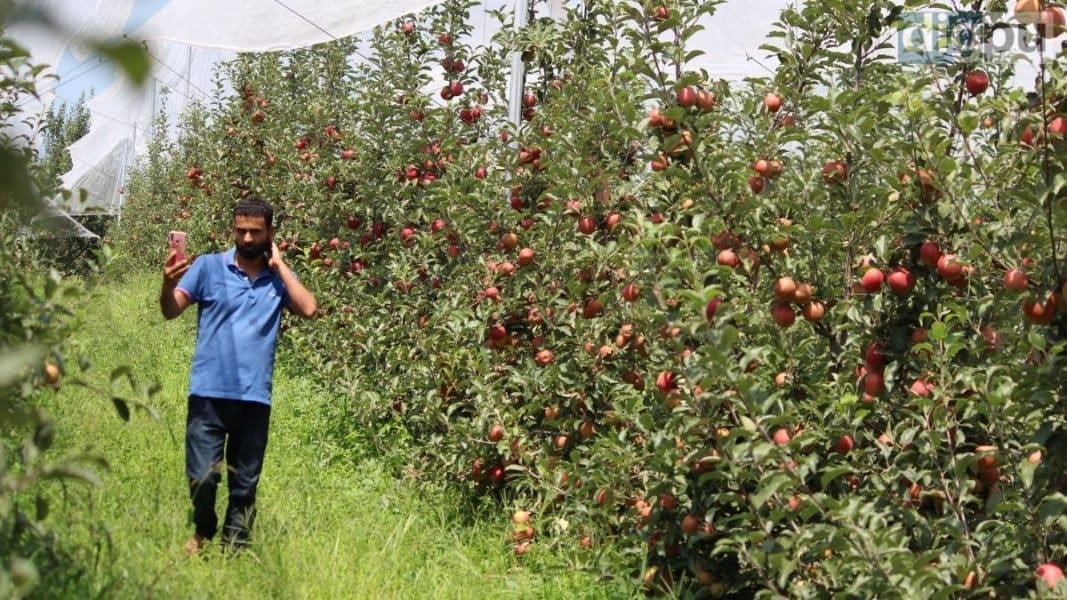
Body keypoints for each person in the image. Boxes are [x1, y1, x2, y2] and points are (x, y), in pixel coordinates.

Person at [159, 196, 317, 555]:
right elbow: (171, 311)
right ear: (233, 230)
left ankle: (236, 549)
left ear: (270, 233)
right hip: (208, 393)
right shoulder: (208, 267)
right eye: (241, 231)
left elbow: (308, 309)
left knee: (244, 483)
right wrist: (168, 285)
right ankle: (203, 528)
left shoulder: (278, 281)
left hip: (253, 396)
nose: (247, 239)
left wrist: (281, 265)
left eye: (255, 232)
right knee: (202, 476)